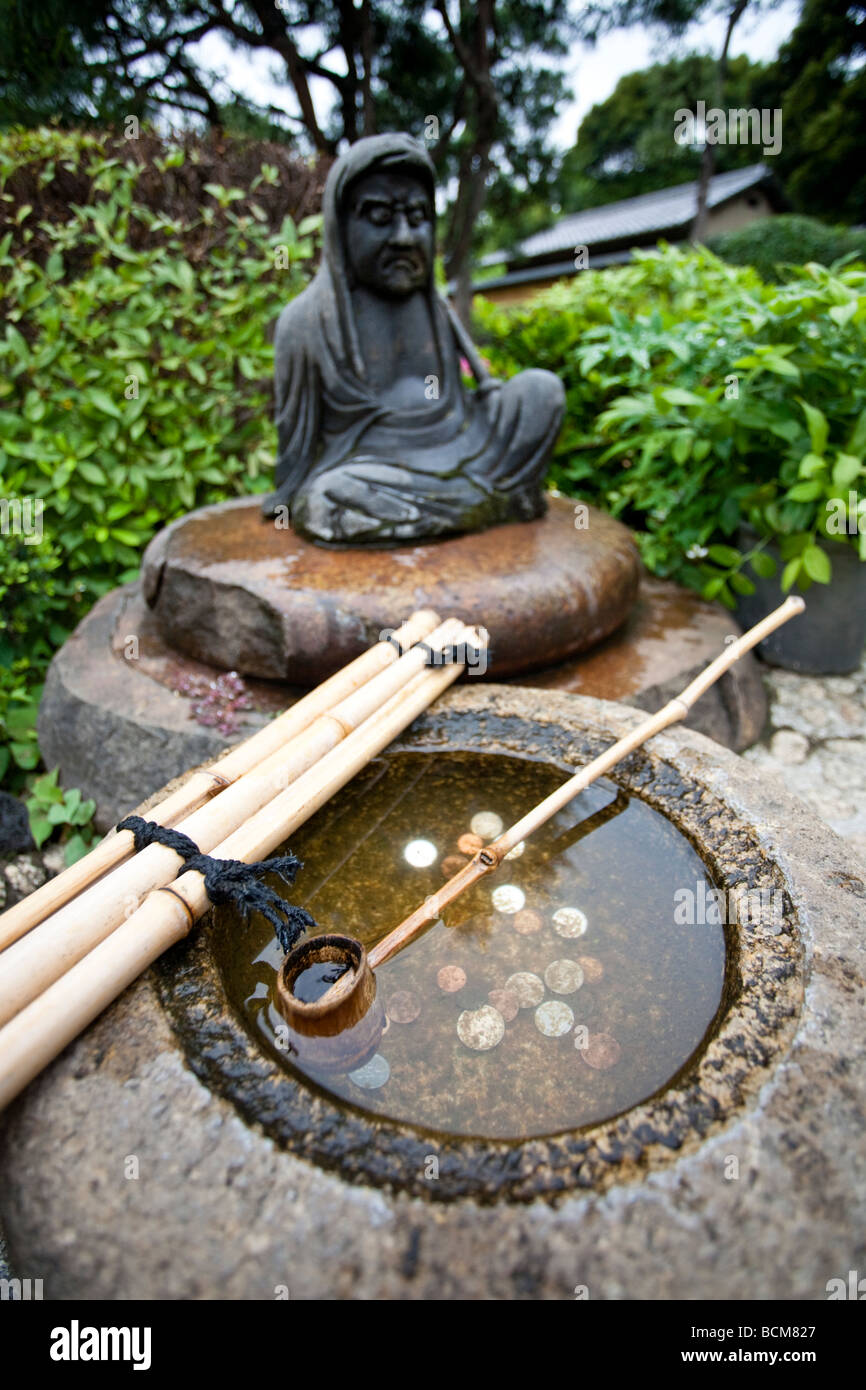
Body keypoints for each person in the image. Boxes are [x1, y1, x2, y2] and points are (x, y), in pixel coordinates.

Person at [263, 132, 565, 545]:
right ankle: (485, 502)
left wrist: (490, 413)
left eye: (418, 217)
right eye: (381, 218)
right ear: (341, 224)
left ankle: (467, 502)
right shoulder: (306, 321)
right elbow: (297, 450)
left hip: (465, 444)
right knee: (325, 500)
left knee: (542, 392)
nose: (404, 237)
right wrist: (289, 496)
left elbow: (473, 397)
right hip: (371, 468)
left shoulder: (435, 306)